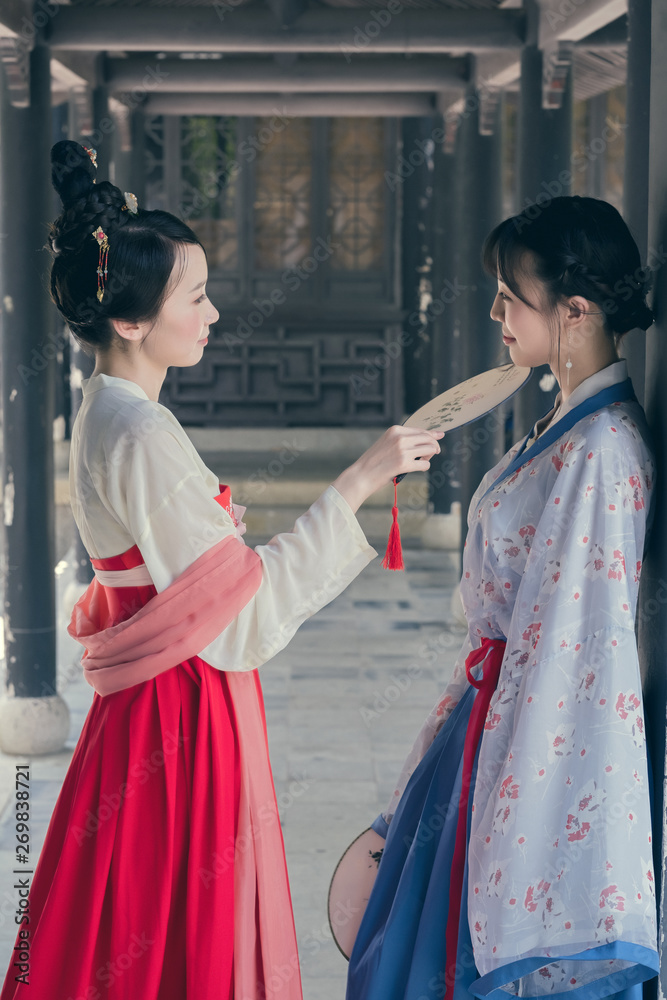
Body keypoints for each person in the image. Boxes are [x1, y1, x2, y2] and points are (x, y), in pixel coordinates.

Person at [0, 140, 442, 1000]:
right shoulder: (139, 433)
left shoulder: (110, 411)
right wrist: (358, 478)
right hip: (184, 704)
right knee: (184, 912)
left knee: (132, 907)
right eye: (195, 298)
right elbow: (240, 612)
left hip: (152, 701)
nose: (212, 315)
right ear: (130, 321)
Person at [346, 195, 659, 1000]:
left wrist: (512, 816)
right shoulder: (567, 422)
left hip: (525, 732)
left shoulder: (600, 448)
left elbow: (571, 654)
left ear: (576, 310)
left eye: (510, 296)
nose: (493, 312)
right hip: (483, 719)